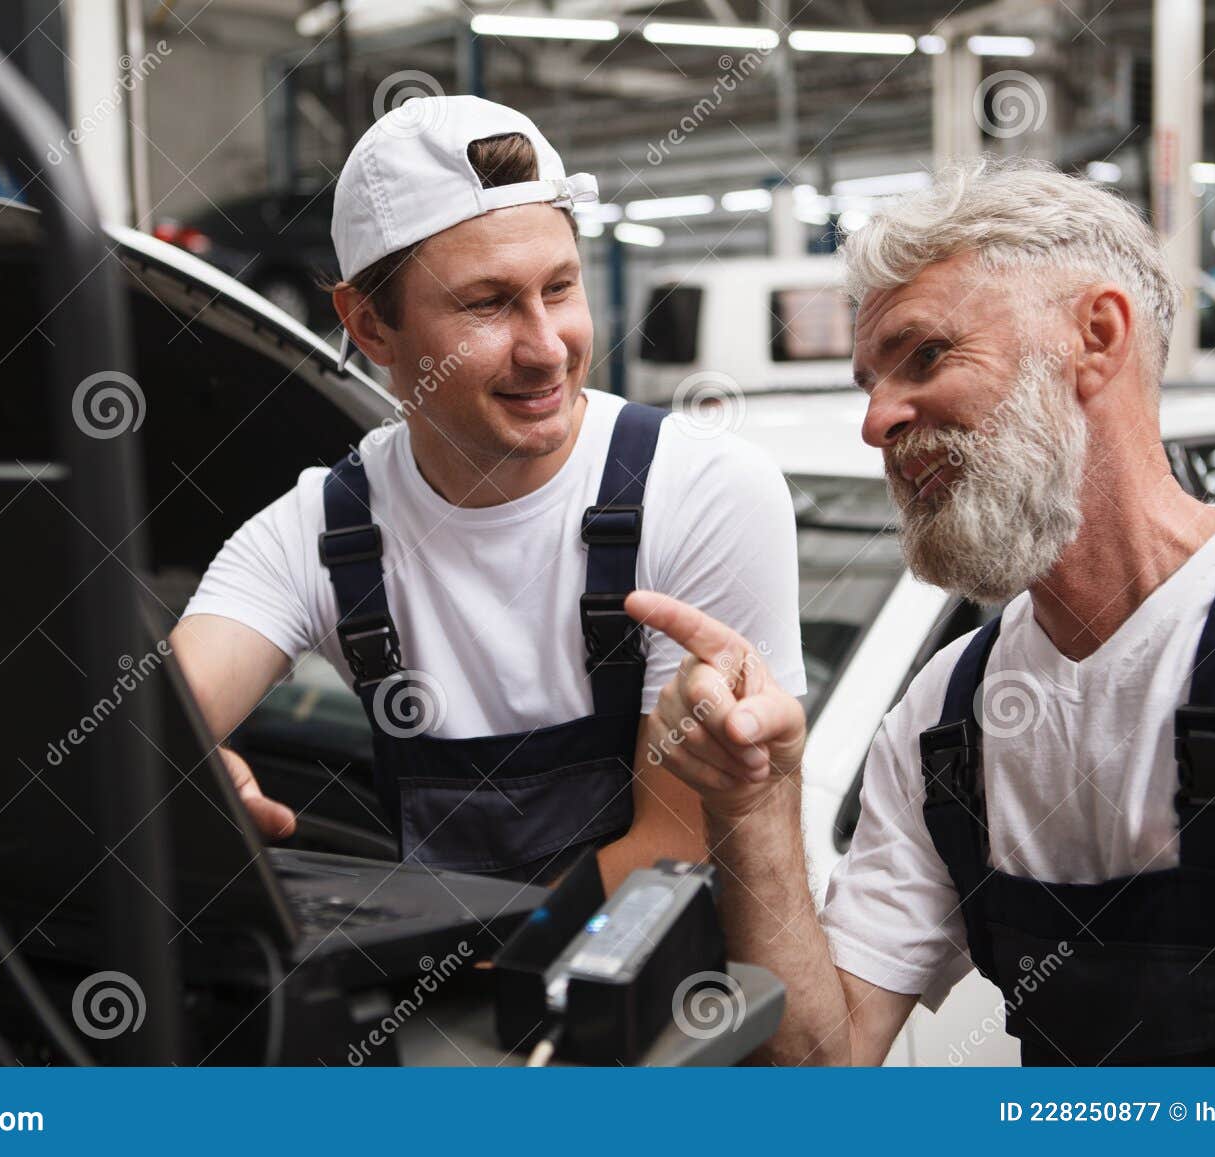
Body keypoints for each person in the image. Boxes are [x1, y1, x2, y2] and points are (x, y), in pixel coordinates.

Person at [628, 158, 1215, 1064]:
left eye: (926, 355)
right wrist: (755, 800)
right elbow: (822, 1068)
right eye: (867, 382)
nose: (877, 420)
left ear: (1096, 336)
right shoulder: (946, 723)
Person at [170, 96, 806, 888]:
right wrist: (172, 774)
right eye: (488, 303)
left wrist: (451, 967)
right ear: (369, 327)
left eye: (560, 288)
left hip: (671, 999)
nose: (546, 348)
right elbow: (147, 733)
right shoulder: (320, 531)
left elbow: (672, 846)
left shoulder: (701, 489)